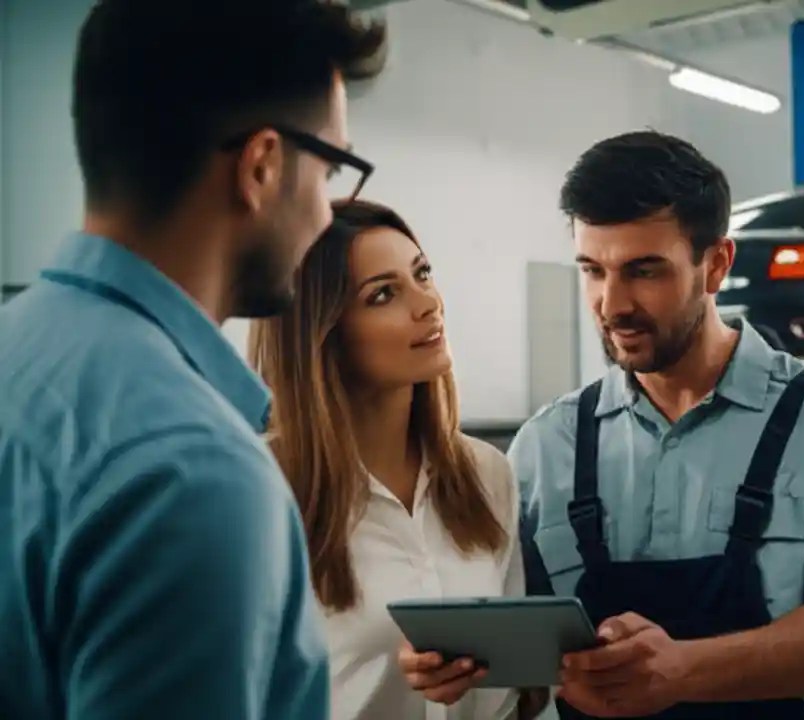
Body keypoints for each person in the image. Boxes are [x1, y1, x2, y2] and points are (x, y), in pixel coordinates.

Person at [0, 2, 386, 719]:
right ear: (264, 166)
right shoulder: (190, 467)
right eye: (332, 169)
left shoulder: (17, 354)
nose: (330, 213)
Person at [507, 130, 804, 720]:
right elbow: (524, 651)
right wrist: (459, 664)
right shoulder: (547, 444)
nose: (612, 304)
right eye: (593, 270)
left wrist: (679, 672)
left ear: (716, 264)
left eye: (645, 271)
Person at [247, 199, 543, 720]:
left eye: (422, 273)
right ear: (323, 332)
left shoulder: (486, 473)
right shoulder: (260, 490)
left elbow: (516, 694)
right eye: (383, 294)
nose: (427, 302)